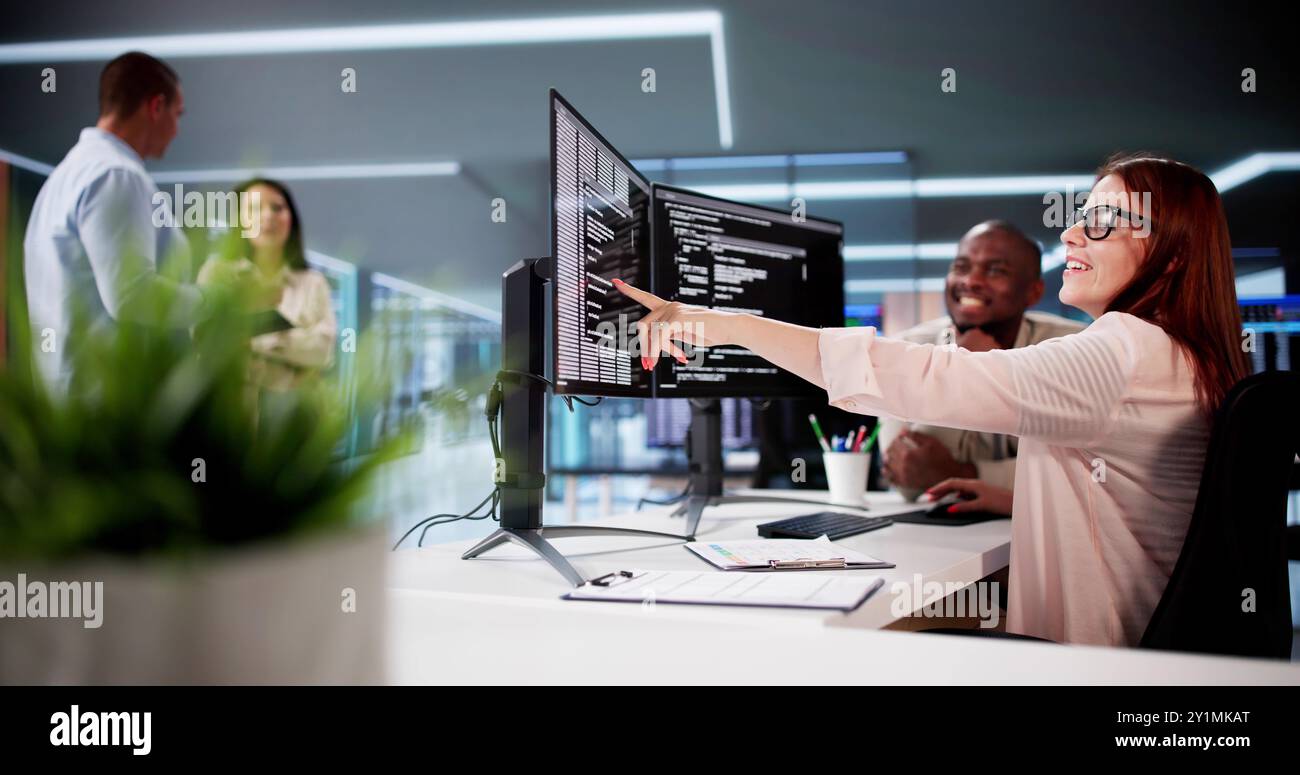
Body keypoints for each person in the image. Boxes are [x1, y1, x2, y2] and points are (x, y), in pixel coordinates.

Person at [614, 153, 1249, 647]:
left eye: (1105, 223)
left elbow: (923, 379)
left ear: (1169, 261)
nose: (1074, 233)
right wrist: (1006, 492)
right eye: (1081, 215)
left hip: (1091, 664)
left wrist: (721, 323)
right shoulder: (1183, 353)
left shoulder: (1122, 351)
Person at [23, 51, 224, 389]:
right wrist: (213, 299)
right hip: (108, 405)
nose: (177, 130)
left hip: (70, 397)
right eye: (178, 114)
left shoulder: (65, 177)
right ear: (156, 107)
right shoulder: (117, 175)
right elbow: (130, 295)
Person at [878, 221, 1084, 501]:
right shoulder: (907, 348)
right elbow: (906, 474)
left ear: (1033, 292)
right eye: (961, 267)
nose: (971, 281)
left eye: (995, 270)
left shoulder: (1072, 351)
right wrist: (956, 369)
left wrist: (962, 472)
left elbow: (1074, 472)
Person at [198, 178, 336, 393]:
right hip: (229, 412)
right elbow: (206, 342)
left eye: (278, 208)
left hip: (291, 417)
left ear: (291, 219)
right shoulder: (217, 273)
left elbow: (323, 350)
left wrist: (252, 342)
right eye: (254, 208)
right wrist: (293, 346)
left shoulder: (313, 283)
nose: (268, 216)